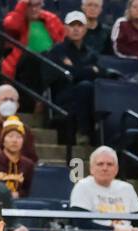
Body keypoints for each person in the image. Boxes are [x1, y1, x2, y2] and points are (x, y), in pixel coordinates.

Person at [44, 11, 102, 146]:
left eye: (79, 25)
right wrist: (88, 70)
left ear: (85, 29)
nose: (76, 29)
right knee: (86, 86)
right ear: (65, 28)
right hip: (63, 95)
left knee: (88, 88)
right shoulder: (57, 51)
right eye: (72, 25)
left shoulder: (92, 53)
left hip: (86, 96)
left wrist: (75, 70)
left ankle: (90, 133)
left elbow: (98, 72)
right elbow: (61, 76)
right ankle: (83, 132)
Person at [1, 0, 65, 109]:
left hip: (47, 64)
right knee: (33, 59)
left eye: (37, 5)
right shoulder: (18, 19)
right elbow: (10, 25)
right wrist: (22, 6)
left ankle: (45, 102)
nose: (34, 9)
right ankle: (38, 101)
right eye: (30, 6)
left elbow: (62, 39)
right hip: (24, 65)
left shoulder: (50, 19)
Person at [0, 116, 35, 198]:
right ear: (3, 140)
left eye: (19, 137)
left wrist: (18, 195)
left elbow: (27, 191)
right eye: (10, 136)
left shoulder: (28, 164)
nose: (14, 140)